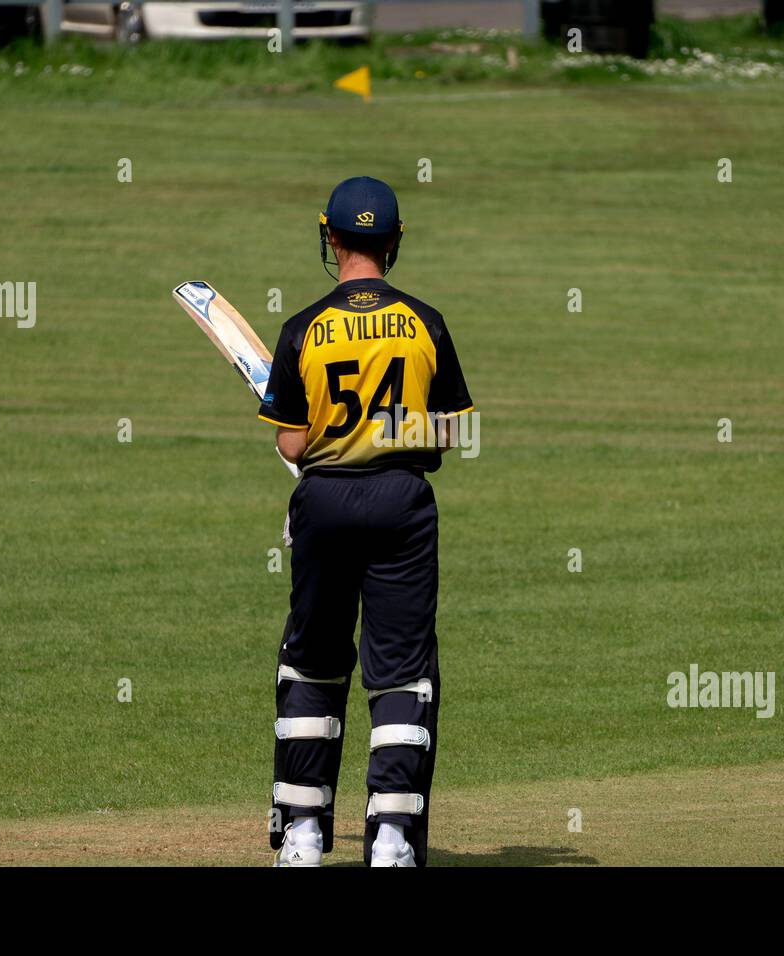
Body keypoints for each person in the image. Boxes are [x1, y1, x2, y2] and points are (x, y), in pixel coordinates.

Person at [258, 176, 473, 867]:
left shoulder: (304, 329)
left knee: (315, 661)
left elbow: (292, 443)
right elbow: (446, 435)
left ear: (332, 237)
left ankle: (303, 832)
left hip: (324, 505)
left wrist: (325, 447)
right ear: (394, 241)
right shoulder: (424, 323)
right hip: (401, 506)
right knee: (402, 671)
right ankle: (390, 839)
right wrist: (389, 436)